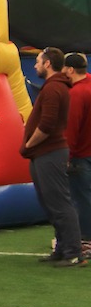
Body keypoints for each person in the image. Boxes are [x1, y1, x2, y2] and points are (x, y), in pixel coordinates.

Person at [24, 47, 81, 266]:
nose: (35, 65)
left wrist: (29, 144)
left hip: (49, 152)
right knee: (52, 202)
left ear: (48, 64)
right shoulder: (55, 87)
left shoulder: (53, 88)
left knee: (59, 203)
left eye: (38, 61)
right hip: (46, 152)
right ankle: (64, 248)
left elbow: (47, 125)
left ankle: (72, 251)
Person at [64, 52, 91, 257]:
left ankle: (86, 240)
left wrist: (67, 155)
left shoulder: (77, 93)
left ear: (71, 70)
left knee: (82, 199)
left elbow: (71, 128)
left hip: (81, 154)